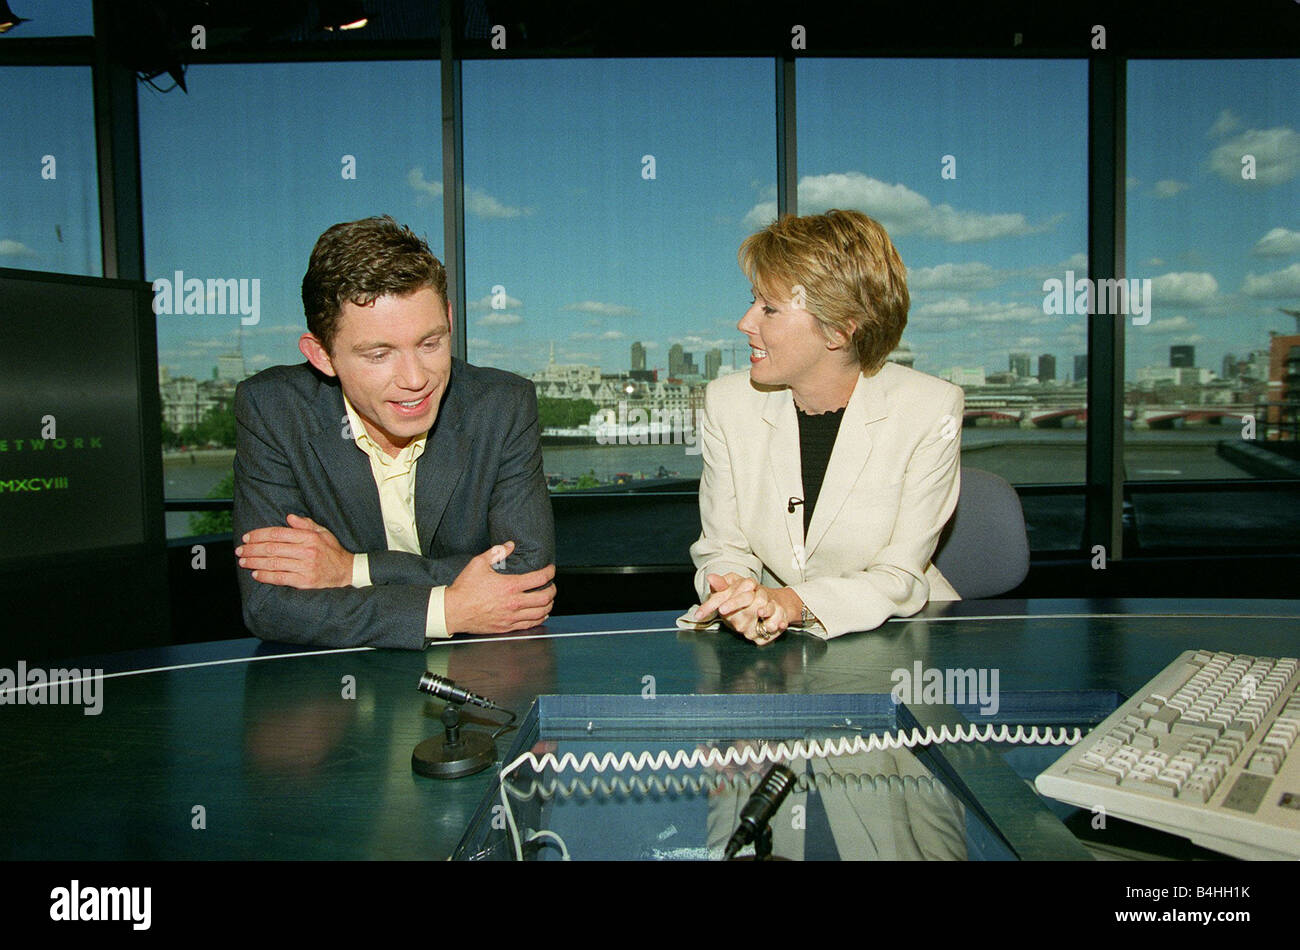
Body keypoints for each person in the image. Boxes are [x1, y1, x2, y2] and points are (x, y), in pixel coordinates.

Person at [232, 215, 556, 649]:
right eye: (379, 353)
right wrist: (446, 609)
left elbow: (527, 575)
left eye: (430, 343)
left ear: (448, 319)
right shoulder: (273, 410)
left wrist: (352, 570)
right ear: (322, 355)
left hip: (484, 674)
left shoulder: (502, 404)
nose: (415, 378)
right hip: (335, 695)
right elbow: (270, 606)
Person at [689, 209, 962, 645]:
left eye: (770, 309)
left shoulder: (931, 408)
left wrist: (792, 603)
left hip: (898, 641)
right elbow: (724, 547)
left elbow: (899, 574)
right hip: (766, 648)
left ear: (836, 330)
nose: (745, 323)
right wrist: (738, 597)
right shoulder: (727, 403)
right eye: (752, 301)